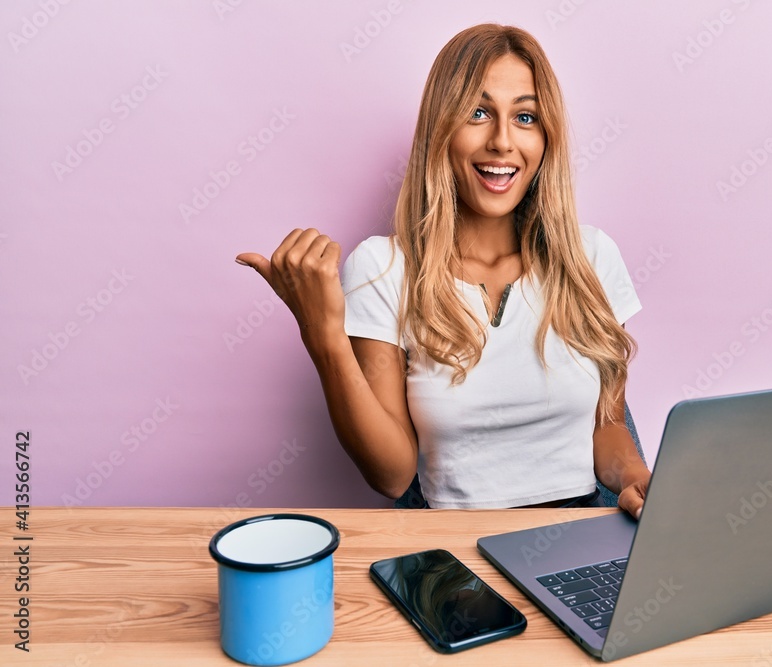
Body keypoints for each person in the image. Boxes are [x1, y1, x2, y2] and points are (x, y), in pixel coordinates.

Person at [236, 24, 650, 518]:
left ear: (546, 138)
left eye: (525, 117)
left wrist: (636, 476)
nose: (502, 141)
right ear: (441, 128)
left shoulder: (591, 257)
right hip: (450, 545)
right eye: (478, 113)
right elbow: (391, 475)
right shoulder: (383, 268)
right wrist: (323, 334)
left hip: (576, 532)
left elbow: (607, 426)